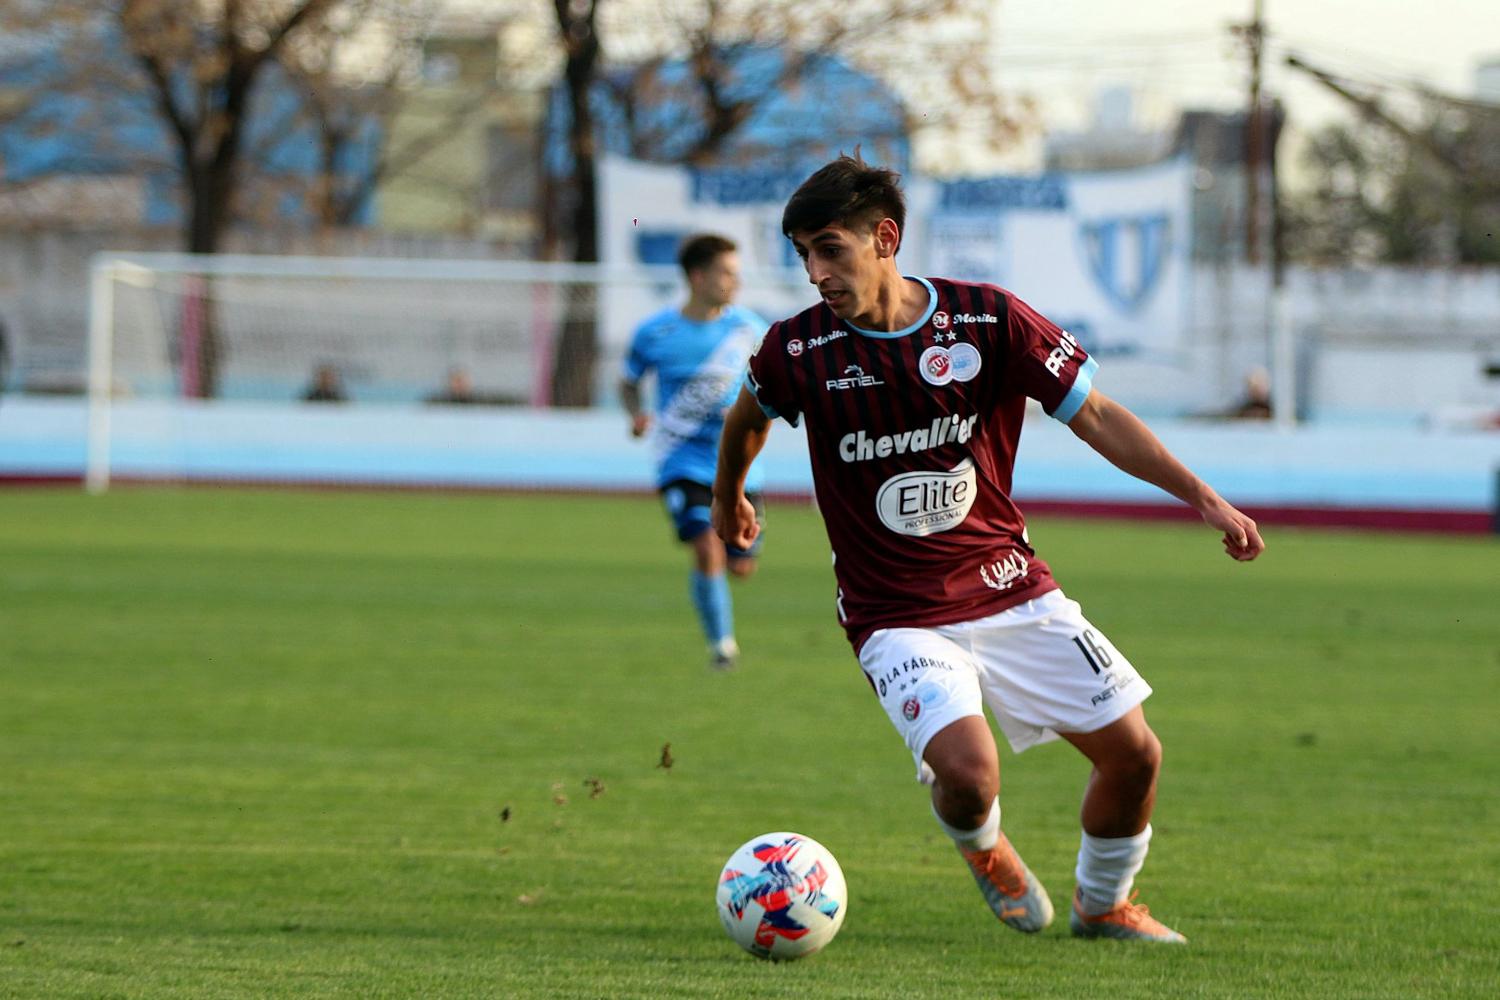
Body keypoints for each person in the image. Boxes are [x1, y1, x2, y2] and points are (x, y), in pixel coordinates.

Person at [712, 155, 1264, 942]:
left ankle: (1102, 905)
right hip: (894, 610)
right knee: (970, 779)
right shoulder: (797, 351)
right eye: (803, 253)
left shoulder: (988, 321)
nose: (815, 272)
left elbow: (1097, 415)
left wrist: (1203, 497)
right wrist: (728, 493)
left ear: (886, 238)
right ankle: (984, 849)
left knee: (1136, 756)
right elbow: (747, 418)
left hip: (1012, 588)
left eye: (829, 248)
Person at [622, 234, 771, 671]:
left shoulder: (750, 329)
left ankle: (721, 598)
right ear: (698, 276)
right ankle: (721, 647)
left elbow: (774, 386)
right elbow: (628, 381)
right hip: (680, 459)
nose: (735, 282)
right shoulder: (655, 332)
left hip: (740, 464)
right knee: (708, 546)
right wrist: (636, 414)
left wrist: (748, 412)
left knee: (741, 564)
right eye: (727, 273)